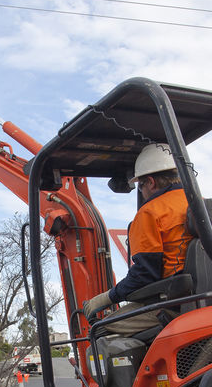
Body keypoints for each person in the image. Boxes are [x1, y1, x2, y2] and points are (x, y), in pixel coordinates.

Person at [82, 143, 192, 336]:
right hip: (203, 296)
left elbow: (144, 274)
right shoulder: (197, 202)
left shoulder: (151, 212)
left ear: (150, 182)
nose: (141, 191)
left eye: (140, 185)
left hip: (171, 303)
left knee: (101, 329)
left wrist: (108, 297)